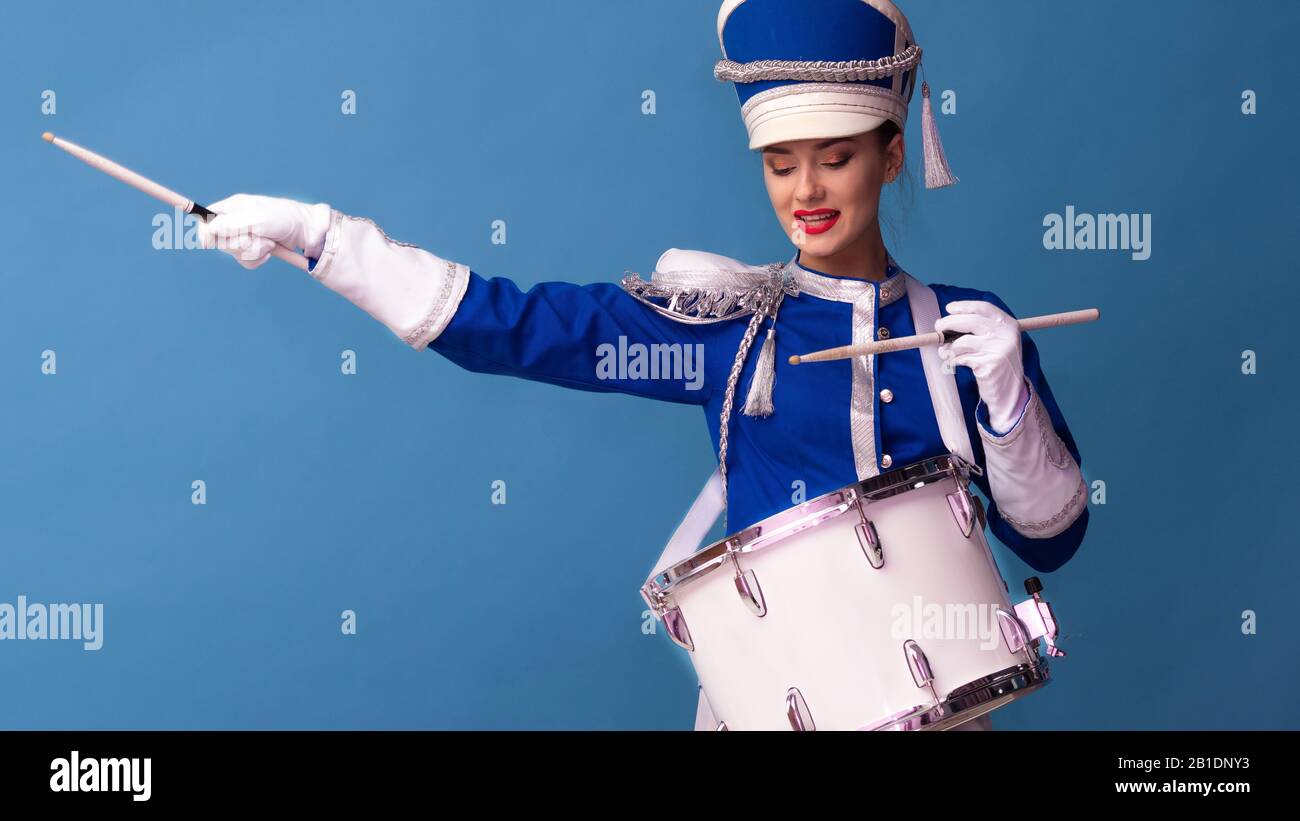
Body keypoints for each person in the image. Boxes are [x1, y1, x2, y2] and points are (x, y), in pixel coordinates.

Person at [196, 0, 1088, 731]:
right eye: (781, 165)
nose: (806, 192)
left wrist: (1008, 402)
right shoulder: (727, 325)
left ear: (893, 156)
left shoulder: (970, 331)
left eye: (836, 159)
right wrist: (317, 236)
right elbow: (513, 326)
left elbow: (1052, 539)